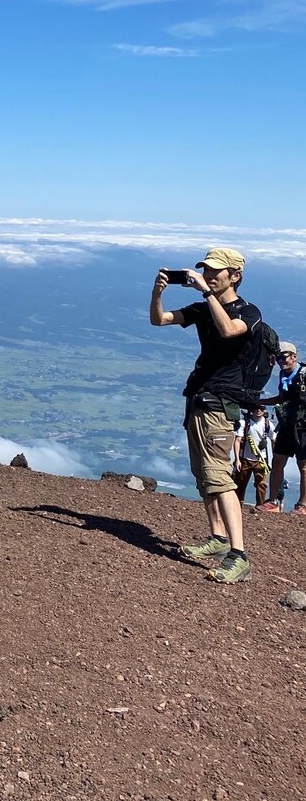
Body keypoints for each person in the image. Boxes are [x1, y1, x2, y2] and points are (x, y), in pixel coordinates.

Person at [150, 246, 262, 585]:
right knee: (203, 475)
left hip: (220, 405)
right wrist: (157, 293)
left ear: (235, 276)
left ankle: (238, 554)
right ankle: (215, 537)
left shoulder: (249, 311)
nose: (209, 275)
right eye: (206, 270)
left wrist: (205, 293)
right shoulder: (202, 308)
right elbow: (160, 320)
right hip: (199, 400)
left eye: (216, 271)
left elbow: (229, 330)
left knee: (218, 476)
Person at [258, 342, 306, 514]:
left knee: (304, 465)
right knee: (277, 461)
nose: (280, 360)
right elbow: (282, 398)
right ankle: (273, 501)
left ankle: (302, 504)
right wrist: (259, 402)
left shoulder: (303, 374)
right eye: (278, 357)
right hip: (287, 424)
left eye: (284, 356)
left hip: (303, 426)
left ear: (294, 356)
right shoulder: (284, 375)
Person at [233, 403, 275, 508]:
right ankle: (237, 505)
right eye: (256, 408)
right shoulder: (244, 423)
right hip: (245, 459)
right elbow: (237, 440)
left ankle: (260, 506)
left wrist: (275, 459)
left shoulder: (268, 424)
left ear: (264, 410)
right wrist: (237, 459)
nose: (258, 410)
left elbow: (274, 440)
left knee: (261, 485)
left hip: (261, 460)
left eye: (261, 408)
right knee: (240, 484)